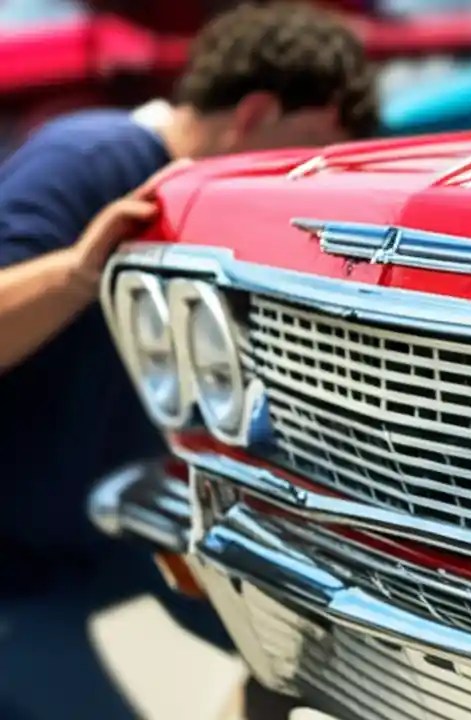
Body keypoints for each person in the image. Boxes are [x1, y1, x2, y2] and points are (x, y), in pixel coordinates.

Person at [0, 3, 375, 718]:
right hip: (21, 568)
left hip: (113, 528)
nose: (305, 178)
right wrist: (78, 275)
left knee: (308, 645)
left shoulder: (215, 210)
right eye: (305, 150)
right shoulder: (93, 161)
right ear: (256, 112)